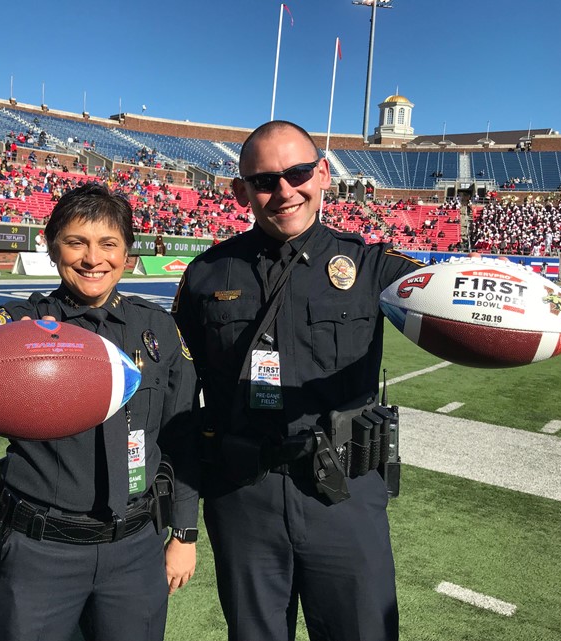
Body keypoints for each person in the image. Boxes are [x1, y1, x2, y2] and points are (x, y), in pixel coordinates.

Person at [171, 120, 426, 641]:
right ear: (241, 190)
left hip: (345, 491)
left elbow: (450, 301)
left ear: (323, 174)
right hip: (242, 495)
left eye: (298, 172)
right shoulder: (206, 274)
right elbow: (176, 393)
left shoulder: (370, 264)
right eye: (264, 180)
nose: (283, 191)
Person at [0, 183, 201, 641]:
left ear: (128, 253)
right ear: (51, 245)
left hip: (136, 549)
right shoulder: (20, 326)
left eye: (108, 244)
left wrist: (183, 532)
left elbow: (184, 436)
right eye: (76, 242)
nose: (92, 258)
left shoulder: (156, 327)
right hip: (43, 550)